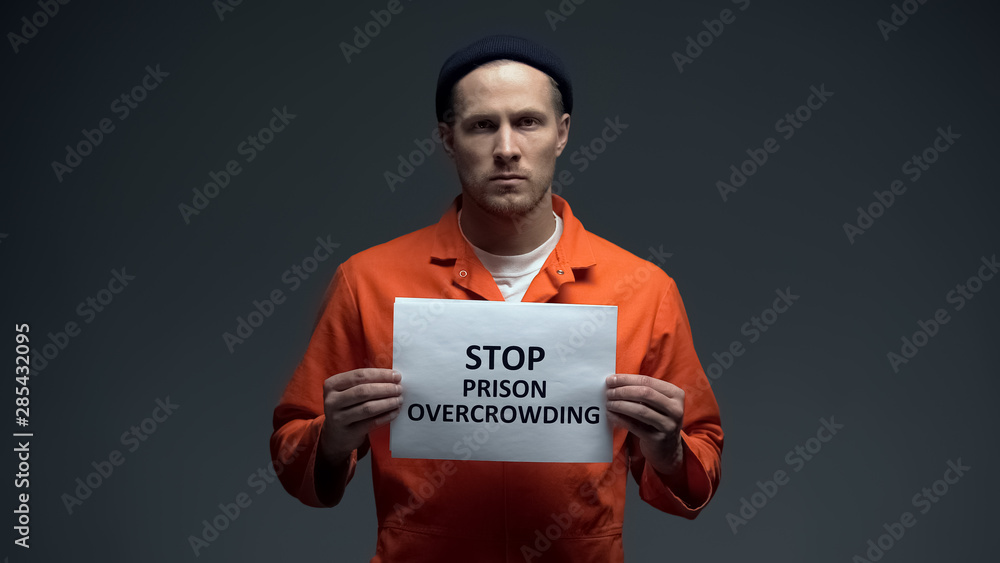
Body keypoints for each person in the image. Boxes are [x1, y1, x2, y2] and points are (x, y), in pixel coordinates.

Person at [270, 34, 724, 562]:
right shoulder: (367, 281)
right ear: (447, 137)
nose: (506, 148)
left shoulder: (644, 289)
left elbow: (700, 469)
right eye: (482, 125)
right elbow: (292, 457)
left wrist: (668, 451)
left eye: (527, 121)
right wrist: (332, 438)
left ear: (562, 132)